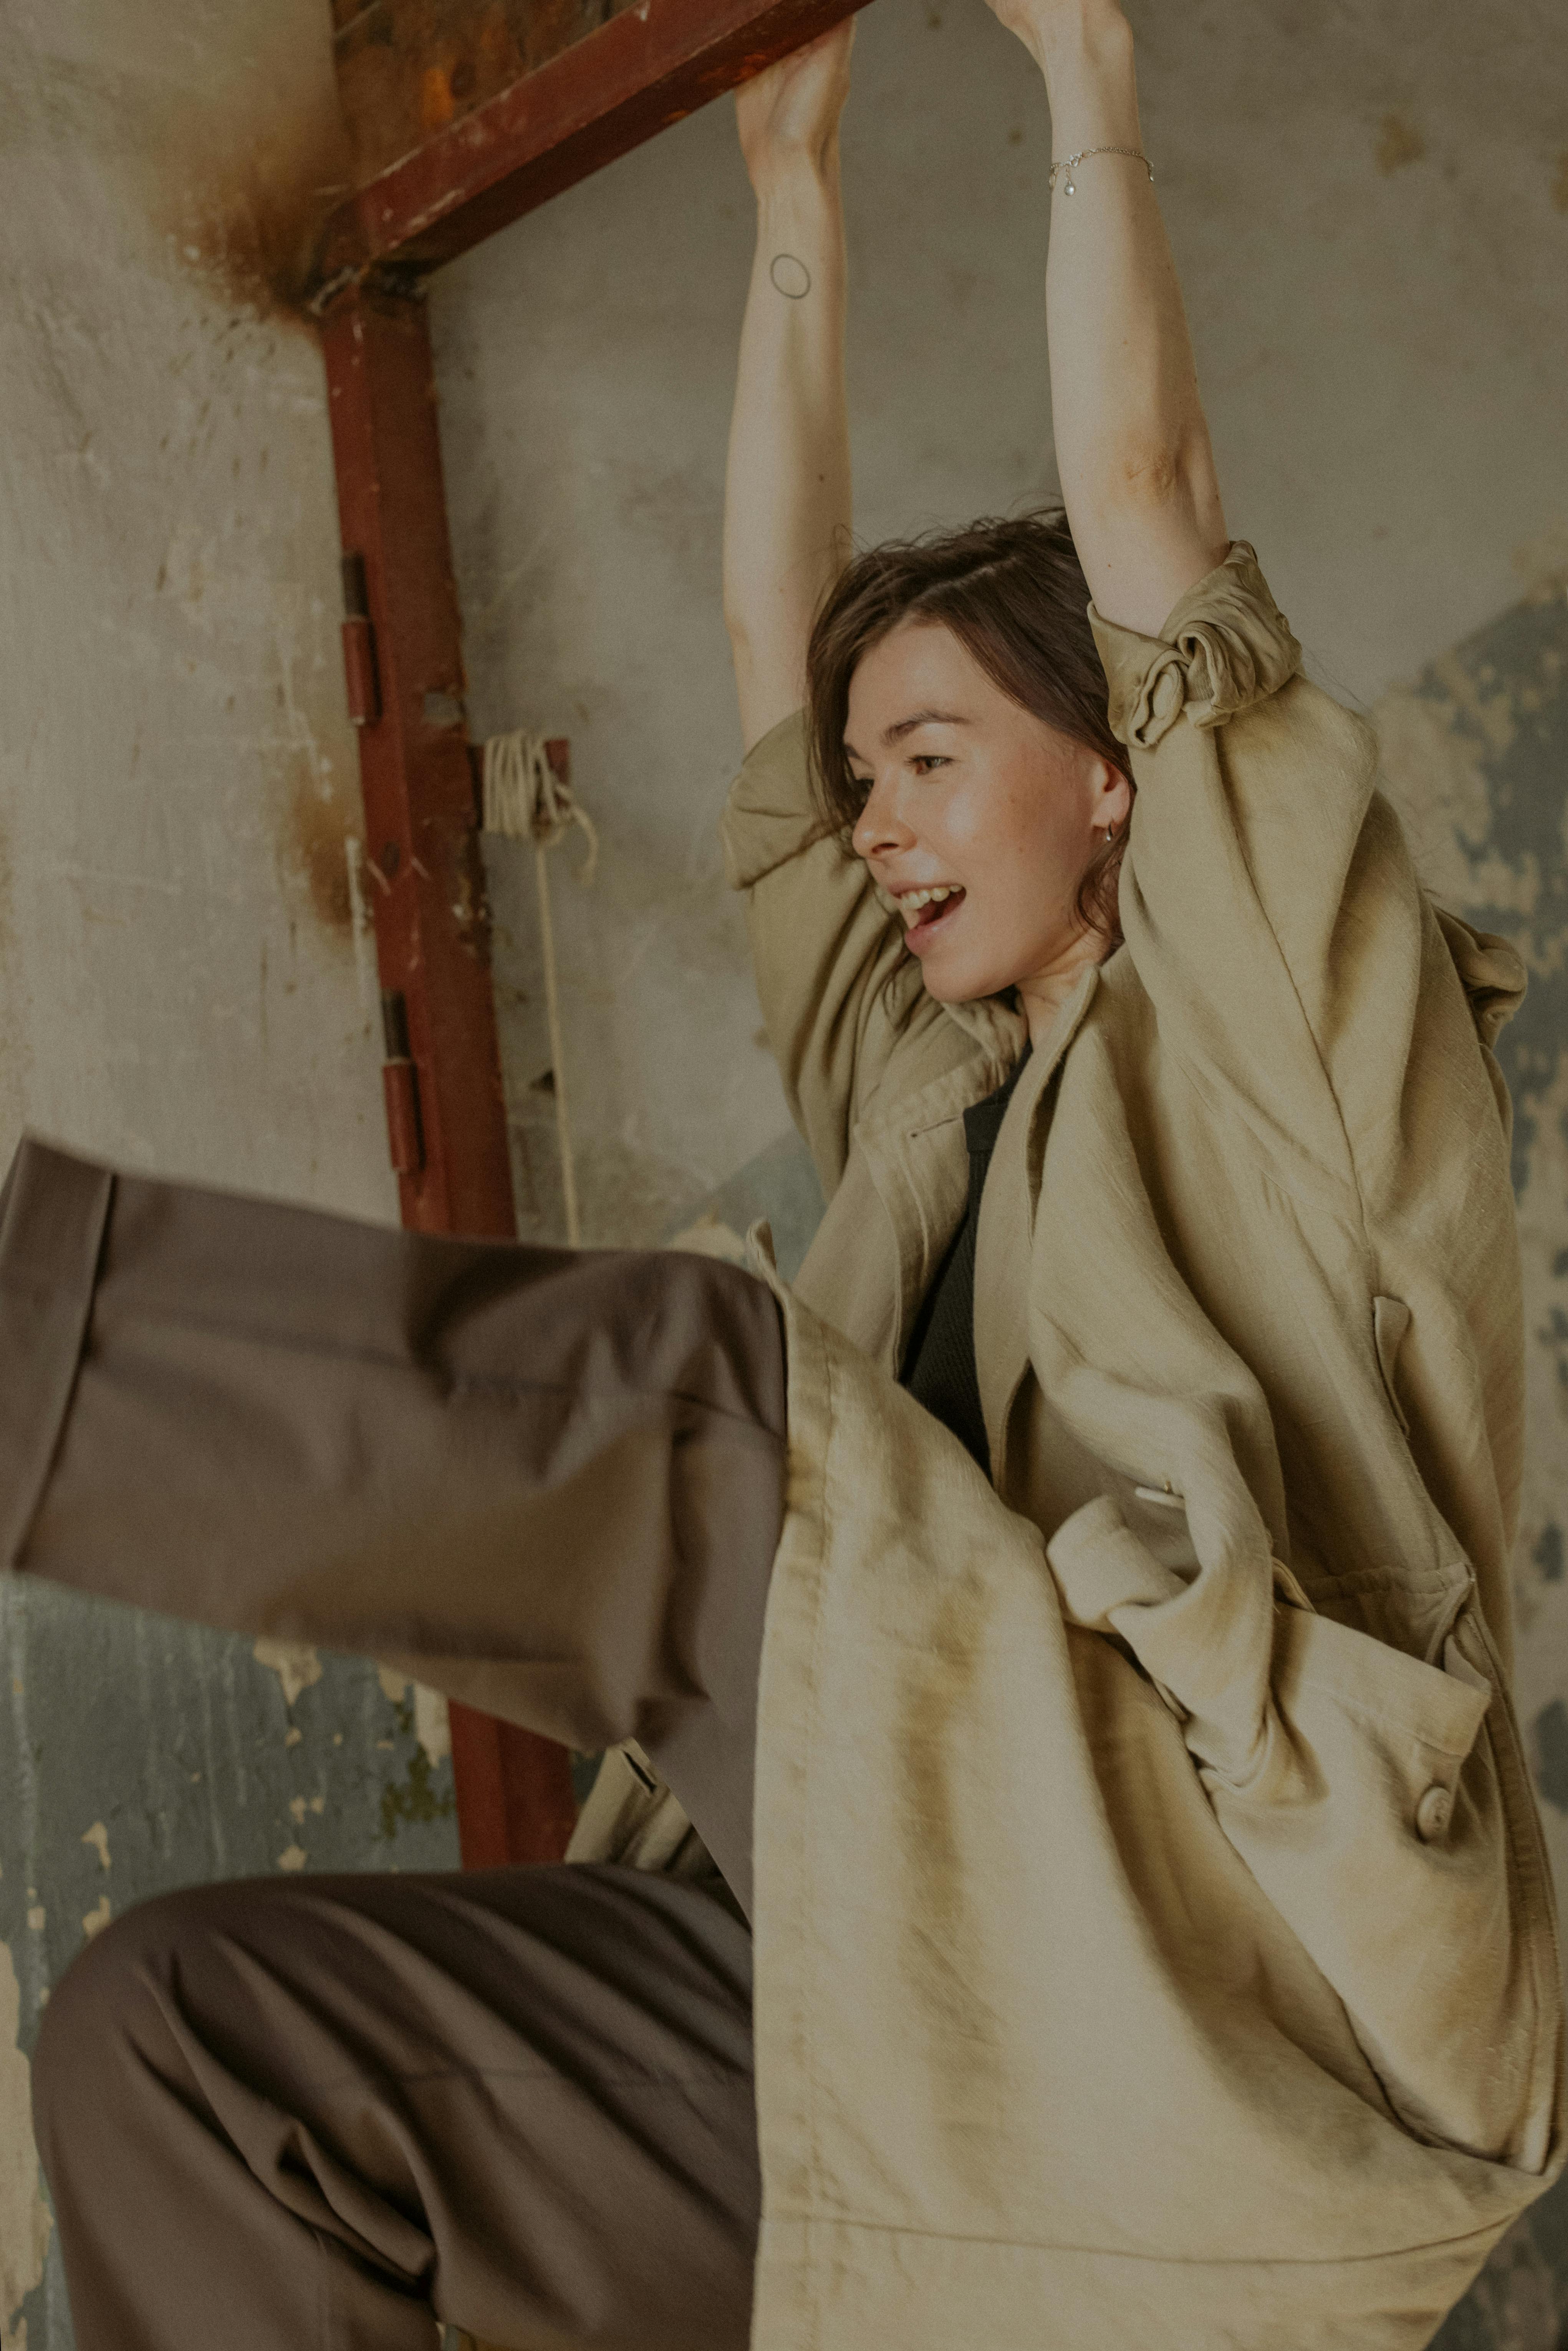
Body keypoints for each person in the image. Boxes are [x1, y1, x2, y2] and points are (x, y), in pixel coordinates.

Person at [8, 0, 1561, 2345]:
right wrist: (789, 199)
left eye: (934, 757)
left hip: (1216, 2000)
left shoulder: (1287, 1039)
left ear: (1119, 773)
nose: (877, 823)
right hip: (870, 2008)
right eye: (870, 783)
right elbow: (768, 651)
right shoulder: (934, 1103)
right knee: (178, 2037)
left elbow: (1145, 507)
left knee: (717, 1421)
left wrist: (1085, 79)